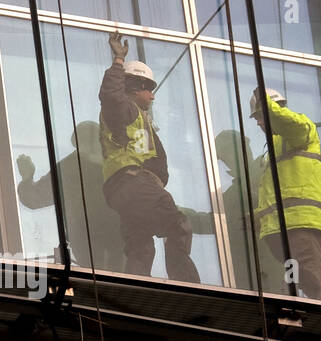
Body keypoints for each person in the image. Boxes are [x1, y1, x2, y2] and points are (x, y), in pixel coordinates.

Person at [99, 32, 199, 283]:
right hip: (134, 182)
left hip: (126, 189)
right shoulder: (124, 109)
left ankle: (135, 287)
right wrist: (118, 62)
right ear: (136, 87)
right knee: (177, 224)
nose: (153, 96)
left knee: (140, 244)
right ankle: (188, 285)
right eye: (149, 90)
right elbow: (111, 95)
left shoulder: (137, 116)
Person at [249, 87, 321, 302]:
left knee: (313, 275)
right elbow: (275, 196)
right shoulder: (274, 148)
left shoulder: (300, 130)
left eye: (260, 116)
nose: (258, 123)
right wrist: (257, 217)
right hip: (284, 229)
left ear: (274, 110)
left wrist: (263, 100)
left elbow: (288, 122)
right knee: (309, 280)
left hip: (300, 224)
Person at [184, 130, 286, 292]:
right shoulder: (236, 191)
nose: (224, 162)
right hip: (249, 277)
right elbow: (213, 222)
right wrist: (175, 212)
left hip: (270, 273)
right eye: (222, 158)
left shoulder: (265, 174)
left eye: (225, 156)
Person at [15, 121, 125, 271]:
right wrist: (27, 178)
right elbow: (36, 198)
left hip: (114, 233)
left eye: (92, 139)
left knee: (118, 276)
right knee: (105, 276)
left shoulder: (117, 164)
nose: (90, 144)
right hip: (88, 235)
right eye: (84, 139)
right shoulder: (68, 169)